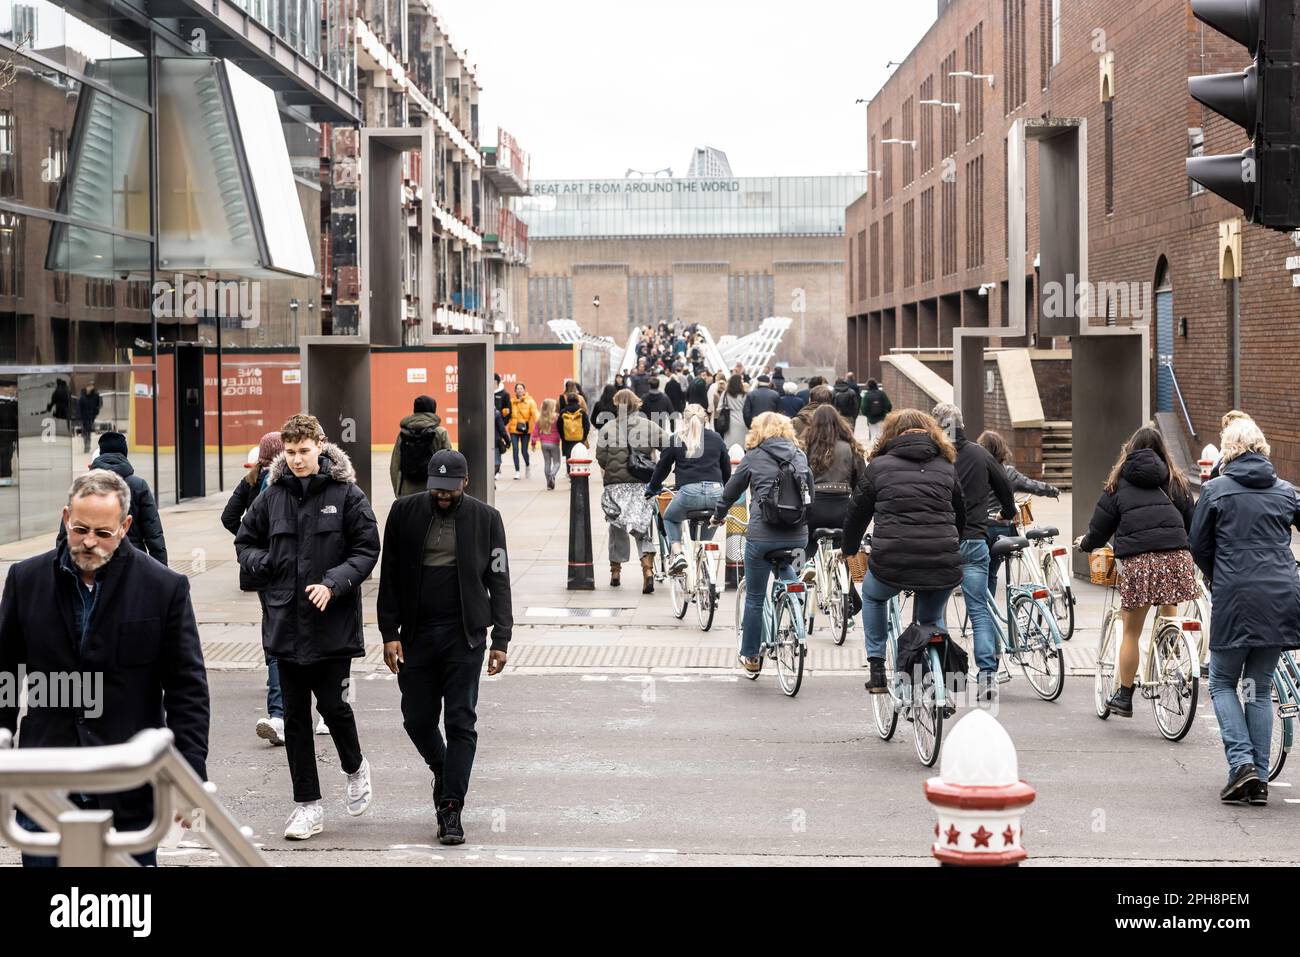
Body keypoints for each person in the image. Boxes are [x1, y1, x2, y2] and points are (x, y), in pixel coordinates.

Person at [0, 470, 210, 866]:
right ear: (65, 517)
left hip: (127, 788)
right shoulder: (25, 580)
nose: (89, 542)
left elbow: (187, 690)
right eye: (80, 529)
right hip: (45, 784)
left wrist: (190, 776)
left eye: (103, 532)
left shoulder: (164, 588)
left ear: (126, 525)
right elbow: (5, 676)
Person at [234, 414, 381, 841]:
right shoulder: (272, 495)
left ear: (320, 445)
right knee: (295, 719)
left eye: (304, 450)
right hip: (284, 624)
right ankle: (308, 807)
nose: (297, 459)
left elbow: (367, 549)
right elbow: (245, 542)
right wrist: (268, 565)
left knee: (333, 709)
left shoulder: (347, 494)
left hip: (331, 627)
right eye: (290, 452)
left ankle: (354, 767)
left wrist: (334, 584)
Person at [378, 450, 512, 844]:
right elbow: (389, 577)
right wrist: (389, 632)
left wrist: (501, 638)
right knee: (416, 719)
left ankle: (450, 807)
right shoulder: (403, 513)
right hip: (416, 634)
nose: (442, 495)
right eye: (436, 488)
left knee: (460, 722)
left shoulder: (487, 520)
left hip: (465, 636)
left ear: (465, 483)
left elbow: (499, 581)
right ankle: (444, 767)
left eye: (450, 489)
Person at [1189, 418, 1300, 804]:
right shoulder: (1287, 492)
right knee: (1258, 688)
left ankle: (1243, 766)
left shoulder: (1215, 491)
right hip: (1280, 598)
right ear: (1263, 448)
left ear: (1227, 450)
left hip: (1235, 596)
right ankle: (1260, 780)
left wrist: (1215, 576)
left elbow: (1197, 545)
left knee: (1221, 682)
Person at [1076, 426, 1197, 719]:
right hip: (1176, 557)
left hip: (1140, 563)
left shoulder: (1118, 483)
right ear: (1162, 450)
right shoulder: (1174, 480)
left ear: (1130, 449)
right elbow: (1192, 520)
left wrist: (1086, 545)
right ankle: (1173, 662)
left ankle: (1125, 697)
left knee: (1131, 632)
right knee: (1171, 614)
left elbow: (1100, 527)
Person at [843, 410, 965, 694]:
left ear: (891, 435)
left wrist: (849, 548)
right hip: (942, 560)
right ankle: (941, 684)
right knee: (932, 620)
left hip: (892, 561)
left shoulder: (879, 467)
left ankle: (876, 667)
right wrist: (950, 542)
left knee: (872, 595)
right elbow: (960, 516)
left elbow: (856, 515)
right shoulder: (947, 467)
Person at [715, 412, 814, 675]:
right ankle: (795, 595)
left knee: (755, 598)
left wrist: (718, 514)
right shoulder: (800, 456)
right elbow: (810, 495)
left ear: (757, 431)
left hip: (762, 536)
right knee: (786, 565)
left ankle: (751, 656)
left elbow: (731, 491)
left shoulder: (753, 456)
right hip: (798, 536)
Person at [932, 403, 1016, 701]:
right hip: (976, 541)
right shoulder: (981, 454)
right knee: (979, 609)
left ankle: (941, 670)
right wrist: (1008, 513)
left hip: (942, 541)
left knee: (936, 608)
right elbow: (1005, 485)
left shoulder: (935, 456)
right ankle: (987, 675)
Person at [222, 431, 295, 746]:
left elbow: (228, 517)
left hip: (262, 570)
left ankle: (277, 693)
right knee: (293, 633)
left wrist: (251, 542)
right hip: (285, 568)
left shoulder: (251, 480)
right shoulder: (284, 485)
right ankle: (288, 707)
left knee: (272, 626)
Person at [595, 389, 670, 592]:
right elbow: (670, 447)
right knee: (642, 526)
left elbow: (601, 457)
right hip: (641, 485)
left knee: (616, 526)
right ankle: (647, 570)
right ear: (637, 404)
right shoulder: (649, 426)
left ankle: (616, 572)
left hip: (615, 486)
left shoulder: (608, 428)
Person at [56, 432, 168, 566]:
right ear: (125, 454)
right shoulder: (139, 485)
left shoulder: (83, 485)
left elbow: (65, 532)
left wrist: (60, 569)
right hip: (132, 563)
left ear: (101, 453)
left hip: (92, 561)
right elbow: (154, 535)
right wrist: (161, 573)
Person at [645, 404, 731, 573]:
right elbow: (726, 469)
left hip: (689, 493)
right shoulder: (716, 438)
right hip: (716, 492)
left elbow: (662, 468)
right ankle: (704, 561)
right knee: (706, 531)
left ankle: (677, 554)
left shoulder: (676, 439)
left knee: (669, 517)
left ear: (684, 419)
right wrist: (726, 493)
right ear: (705, 419)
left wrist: (652, 488)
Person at [976, 429, 1060, 598]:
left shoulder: (976, 471)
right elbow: (1032, 485)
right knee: (992, 572)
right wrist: (1053, 491)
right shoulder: (1009, 473)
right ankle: (989, 610)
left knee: (979, 572)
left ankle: (982, 611)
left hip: (980, 527)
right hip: (1002, 529)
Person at [800, 403, 866, 558]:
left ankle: (802, 569)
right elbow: (862, 482)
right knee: (845, 551)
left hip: (813, 509)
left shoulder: (805, 447)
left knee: (803, 542)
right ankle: (844, 578)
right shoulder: (851, 447)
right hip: (842, 510)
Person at [390, 395, 451, 498]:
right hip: (433, 491)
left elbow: (395, 465)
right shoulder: (440, 432)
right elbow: (449, 462)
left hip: (407, 493)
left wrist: (398, 491)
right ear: (433, 409)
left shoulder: (403, 433)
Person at [507, 382, 539, 480]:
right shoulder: (511, 402)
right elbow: (507, 413)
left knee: (524, 451)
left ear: (524, 390)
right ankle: (517, 471)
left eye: (521, 388)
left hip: (525, 429)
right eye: (517, 389)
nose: (519, 390)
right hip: (513, 429)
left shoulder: (530, 401)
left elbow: (535, 413)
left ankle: (527, 465)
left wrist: (539, 422)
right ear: (515, 390)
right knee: (515, 450)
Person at [534, 398, 563, 491]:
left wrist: (533, 442)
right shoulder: (556, 417)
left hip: (544, 444)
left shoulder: (540, 418)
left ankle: (549, 484)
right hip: (554, 443)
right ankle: (552, 475)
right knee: (557, 463)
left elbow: (535, 432)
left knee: (547, 463)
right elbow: (561, 429)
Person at [713, 373, 748, 449]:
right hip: (742, 420)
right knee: (742, 443)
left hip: (729, 420)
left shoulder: (725, 393)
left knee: (730, 443)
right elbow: (747, 408)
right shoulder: (745, 395)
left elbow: (719, 408)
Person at [558, 382, 591, 460]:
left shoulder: (563, 411)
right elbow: (587, 425)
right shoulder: (581, 411)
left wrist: (563, 436)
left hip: (567, 437)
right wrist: (584, 436)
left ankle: (569, 471)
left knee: (569, 457)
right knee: (579, 456)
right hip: (579, 437)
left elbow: (559, 425)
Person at [859, 379, 893, 446]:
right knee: (881, 435)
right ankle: (882, 449)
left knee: (873, 436)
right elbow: (889, 405)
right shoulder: (882, 394)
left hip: (871, 420)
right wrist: (885, 413)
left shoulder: (867, 395)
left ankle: (874, 451)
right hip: (882, 418)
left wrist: (868, 415)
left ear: (868, 386)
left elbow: (863, 409)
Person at [493, 375, 512, 476]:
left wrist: (503, 422)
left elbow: (508, 411)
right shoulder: (486, 391)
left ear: (496, 381)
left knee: (496, 450)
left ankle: (496, 470)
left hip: (498, 426)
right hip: (492, 428)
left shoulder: (504, 394)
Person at [77, 383, 102, 454]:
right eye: (88, 386)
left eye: (91, 387)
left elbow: (98, 405)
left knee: (88, 430)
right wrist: (79, 417)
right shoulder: (82, 397)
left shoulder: (95, 396)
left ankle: (88, 444)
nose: (89, 388)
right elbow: (79, 407)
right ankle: (86, 444)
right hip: (84, 416)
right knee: (85, 431)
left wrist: (95, 413)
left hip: (91, 416)